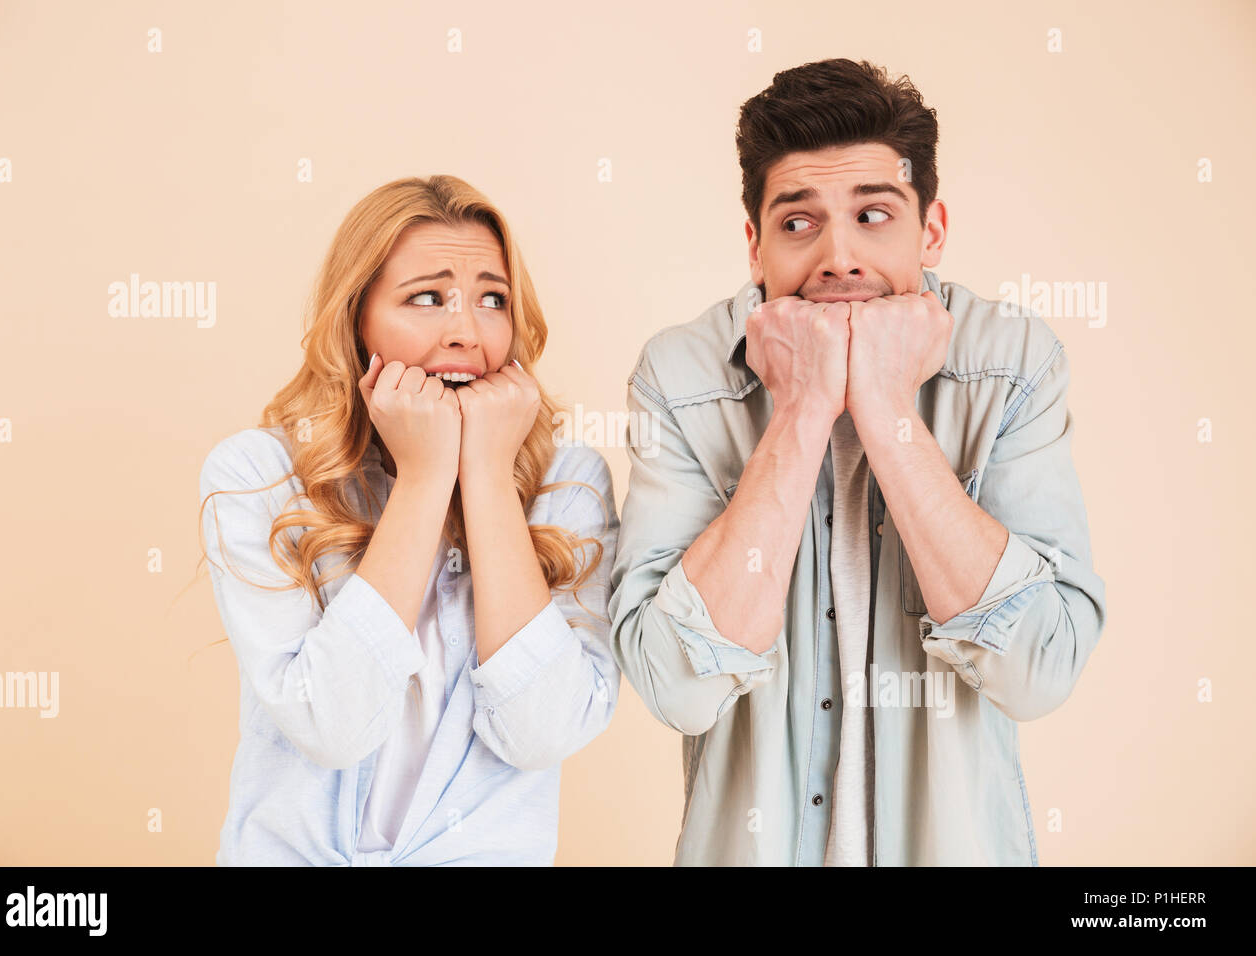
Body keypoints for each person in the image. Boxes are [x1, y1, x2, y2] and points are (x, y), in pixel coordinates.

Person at [608, 59, 1107, 865]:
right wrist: (805, 409)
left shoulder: (1012, 361)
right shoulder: (683, 375)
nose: (838, 256)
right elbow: (675, 684)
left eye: (873, 215)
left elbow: (1038, 669)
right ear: (754, 244)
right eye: (798, 223)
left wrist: (883, 407)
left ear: (931, 230)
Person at [198, 174, 619, 865]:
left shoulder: (567, 485)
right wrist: (424, 478)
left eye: (493, 299)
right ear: (356, 319)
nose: (467, 331)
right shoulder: (256, 476)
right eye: (427, 298)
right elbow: (332, 727)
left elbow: (542, 733)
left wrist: (484, 476)